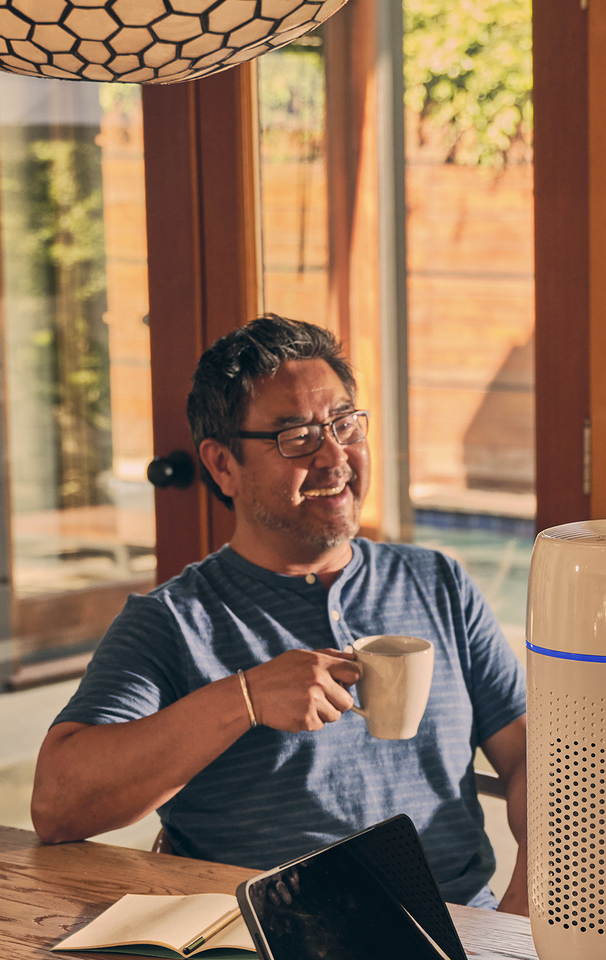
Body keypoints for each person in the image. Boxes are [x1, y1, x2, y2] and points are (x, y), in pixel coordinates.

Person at [32, 315, 528, 913]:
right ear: (221, 465)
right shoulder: (173, 621)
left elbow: (532, 757)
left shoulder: (439, 583)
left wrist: (524, 911)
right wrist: (243, 698)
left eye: (344, 424)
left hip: (462, 930)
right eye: (295, 437)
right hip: (268, 954)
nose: (334, 457)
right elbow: (58, 804)